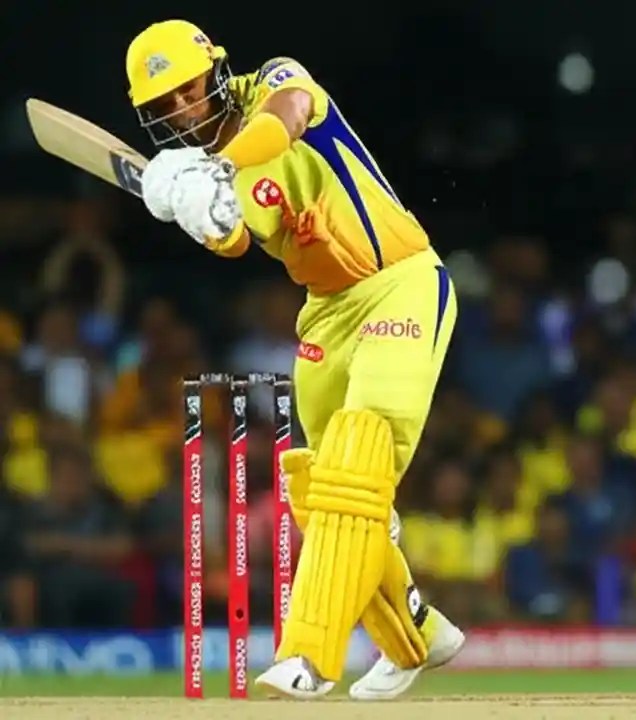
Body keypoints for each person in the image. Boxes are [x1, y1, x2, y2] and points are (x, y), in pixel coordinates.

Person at [123, 20, 464, 700]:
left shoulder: (277, 79)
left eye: (186, 91)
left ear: (216, 70)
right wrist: (192, 207)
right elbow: (234, 238)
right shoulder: (213, 164)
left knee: (356, 460)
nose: (181, 113)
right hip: (326, 313)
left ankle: (310, 653)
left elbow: (290, 115)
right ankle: (419, 635)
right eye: (162, 109)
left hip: (401, 280)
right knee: (320, 490)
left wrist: (214, 169)